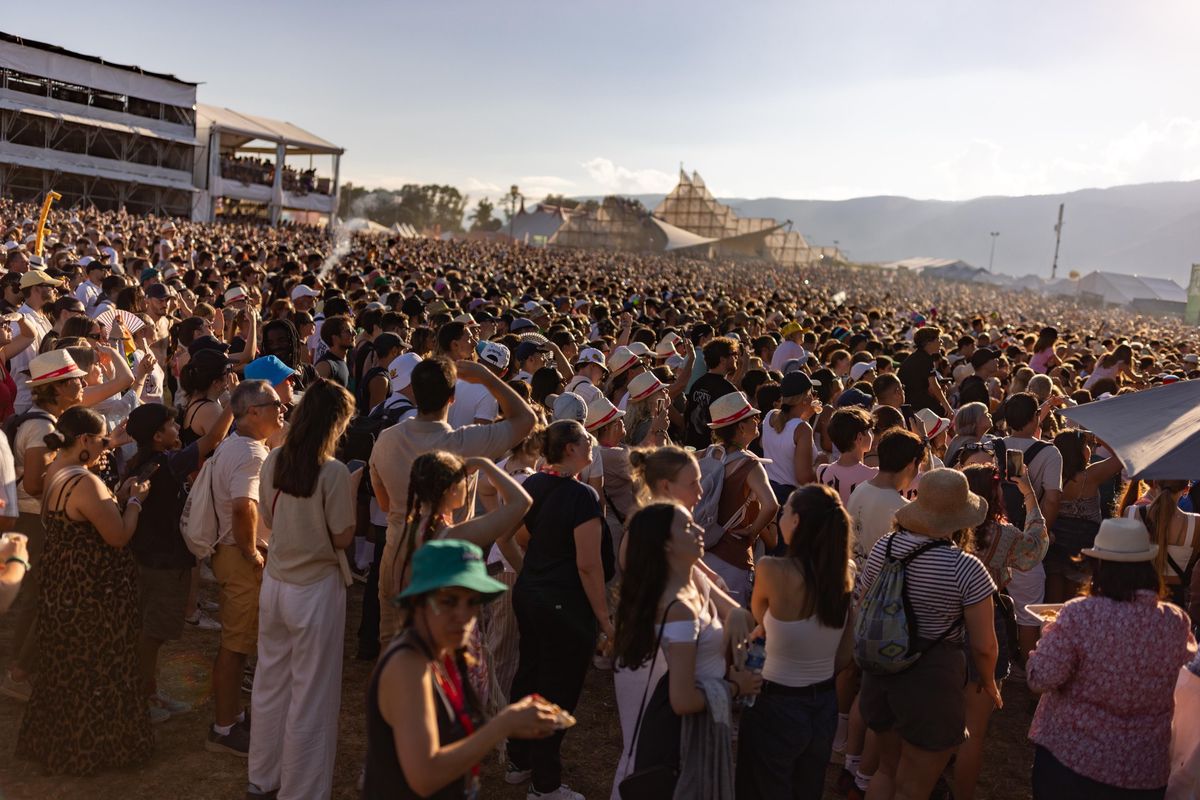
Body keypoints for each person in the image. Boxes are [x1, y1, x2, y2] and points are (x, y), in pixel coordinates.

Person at [362, 539, 561, 800]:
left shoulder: (446, 653)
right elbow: (425, 776)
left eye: (472, 601)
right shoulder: (407, 666)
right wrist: (502, 725)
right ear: (420, 601)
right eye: (448, 600)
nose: (463, 615)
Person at [16, 406, 154, 774]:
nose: (106, 449)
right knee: (98, 670)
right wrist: (135, 501)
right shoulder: (86, 482)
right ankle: (95, 749)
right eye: (101, 440)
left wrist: (117, 495)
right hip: (93, 594)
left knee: (66, 670)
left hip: (62, 585)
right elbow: (118, 535)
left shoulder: (54, 472)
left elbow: (87, 517)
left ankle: (55, 743)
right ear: (83, 441)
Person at [856, 468, 999, 800]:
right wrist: (989, 681)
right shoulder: (966, 568)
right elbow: (984, 645)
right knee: (914, 787)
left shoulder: (885, 547)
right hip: (931, 682)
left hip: (881, 674)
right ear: (961, 519)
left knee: (886, 771)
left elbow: (864, 601)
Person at [370, 357, 535, 646]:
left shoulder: (386, 439)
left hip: (397, 551)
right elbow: (526, 419)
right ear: (452, 397)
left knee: (393, 643)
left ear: (412, 392)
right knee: (445, 651)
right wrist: (486, 377)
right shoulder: (465, 442)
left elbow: (383, 504)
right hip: (447, 557)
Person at [1027, 517, 1197, 798]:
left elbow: (1040, 677)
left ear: (1100, 566)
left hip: (1072, 760)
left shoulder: (1080, 614)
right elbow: (1184, 664)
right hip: (1143, 769)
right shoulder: (1175, 622)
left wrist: (1048, 636)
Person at [246, 379, 357, 798]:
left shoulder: (275, 458)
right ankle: (302, 791)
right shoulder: (332, 472)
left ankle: (263, 777)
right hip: (314, 588)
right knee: (311, 692)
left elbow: (271, 520)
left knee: (270, 682)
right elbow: (344, 536)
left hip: (276, 582)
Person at [612, 502, 760, 799]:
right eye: (689, 527)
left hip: (691, 727)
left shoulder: (686, 589)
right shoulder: (679, 609)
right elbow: (682, 700)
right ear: (667, 544)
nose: (700, 530)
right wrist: (734, 686)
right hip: (684, 737)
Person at [506, 420, 612, 800]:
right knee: (558, 688)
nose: (591, 445)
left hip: (532, 596)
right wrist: (604, 619)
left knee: (530, 674)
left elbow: (511, 536)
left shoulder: (530, 485)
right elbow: (589, 564)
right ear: (569, 448)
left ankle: (518, 761)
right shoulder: (582, 496)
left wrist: (529, 572)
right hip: (565, 604)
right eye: (586, 439)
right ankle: (545, 784)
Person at [737, 484, 855, 799]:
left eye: (785, 510)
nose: (779, 516)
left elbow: (759, 621)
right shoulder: (845, 573)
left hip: (776, 701)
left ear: (798, 522)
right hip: (823, 703)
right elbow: (846, 651)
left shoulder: (771, 569)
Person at [124, 393, 235, 722]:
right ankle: (142, 698)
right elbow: (213, 438)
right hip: (164, 563)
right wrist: (236, 402)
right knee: (153, 634)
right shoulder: (167, 464)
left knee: (150, 632)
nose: (177, 428)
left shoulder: (141, 463)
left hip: (148, 558)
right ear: (158, 437)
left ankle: (148, 691)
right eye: (171, 424)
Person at [956, 464, 1049, 800]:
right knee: (974, 732)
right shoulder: (1003, 534)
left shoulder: (945, 527)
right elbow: (1035, 550)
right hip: (987, 616)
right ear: (993, 495)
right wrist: (1029, 496)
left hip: (944, 619)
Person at [1, 349, 87, 701]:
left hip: (30, 517)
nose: (83, 385)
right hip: (35, 519)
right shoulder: (41, 427)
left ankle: (22, 669)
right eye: (76, 381)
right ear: (58, 388)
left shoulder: (41, 421)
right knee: (48, 598)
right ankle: (20, 673)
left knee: (37, 597)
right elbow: (36, 484)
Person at [206, 379, 285, 757]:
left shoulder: (239, 445)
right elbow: (243, 507)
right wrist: (252, 552)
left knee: (239, 642)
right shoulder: (251, 453)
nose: (281, 408)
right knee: (236, 645)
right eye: (274, 403)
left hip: (232, 553)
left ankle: (233, 716)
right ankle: (224, 728)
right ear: (253, 412)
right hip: (239, 557)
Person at [701, 391, 779, 604]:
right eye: (752, 418)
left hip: (704, 550)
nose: (757, 420)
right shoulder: (749, 464)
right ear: (741, 427)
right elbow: (771, 505)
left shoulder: (708, 454)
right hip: (734, 557)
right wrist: (753, 532)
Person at [1045, 429, 1123, 603]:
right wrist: (1100, 437)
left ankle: (1049, 629)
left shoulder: (1051, 475)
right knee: (1076, 600)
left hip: (1056, 538)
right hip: (1083, 543)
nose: (1090, 448)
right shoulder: (1090, 475)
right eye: (1086, 445)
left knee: (1052, 601)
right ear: (1078, 451)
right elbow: (1122, 458)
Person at [847, 429, 925, 565]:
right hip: (880, 583)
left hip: (853, 578)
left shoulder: (859, 489)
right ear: (912, 464)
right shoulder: (902, 509)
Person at [760, 371, 819, 507]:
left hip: (768, 493)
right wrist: (820, 466)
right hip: (790, 500)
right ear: (805, 398)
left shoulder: (770, 416)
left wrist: (804, 419)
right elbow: (804, 478)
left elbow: (768, 445)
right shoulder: (802, 429)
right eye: (811, 393)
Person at [684, 336, 739, 449]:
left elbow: (687, 418)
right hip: (714, 453)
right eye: (733, 354)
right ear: (722, 359)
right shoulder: (728, 390)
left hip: (694, 449)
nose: (736, 357)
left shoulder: (697, 384)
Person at [817, 407, 878, 507]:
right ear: (859, 437)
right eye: (869, 431)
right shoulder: (874, 475)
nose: (872, 435)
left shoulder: (822, 471)